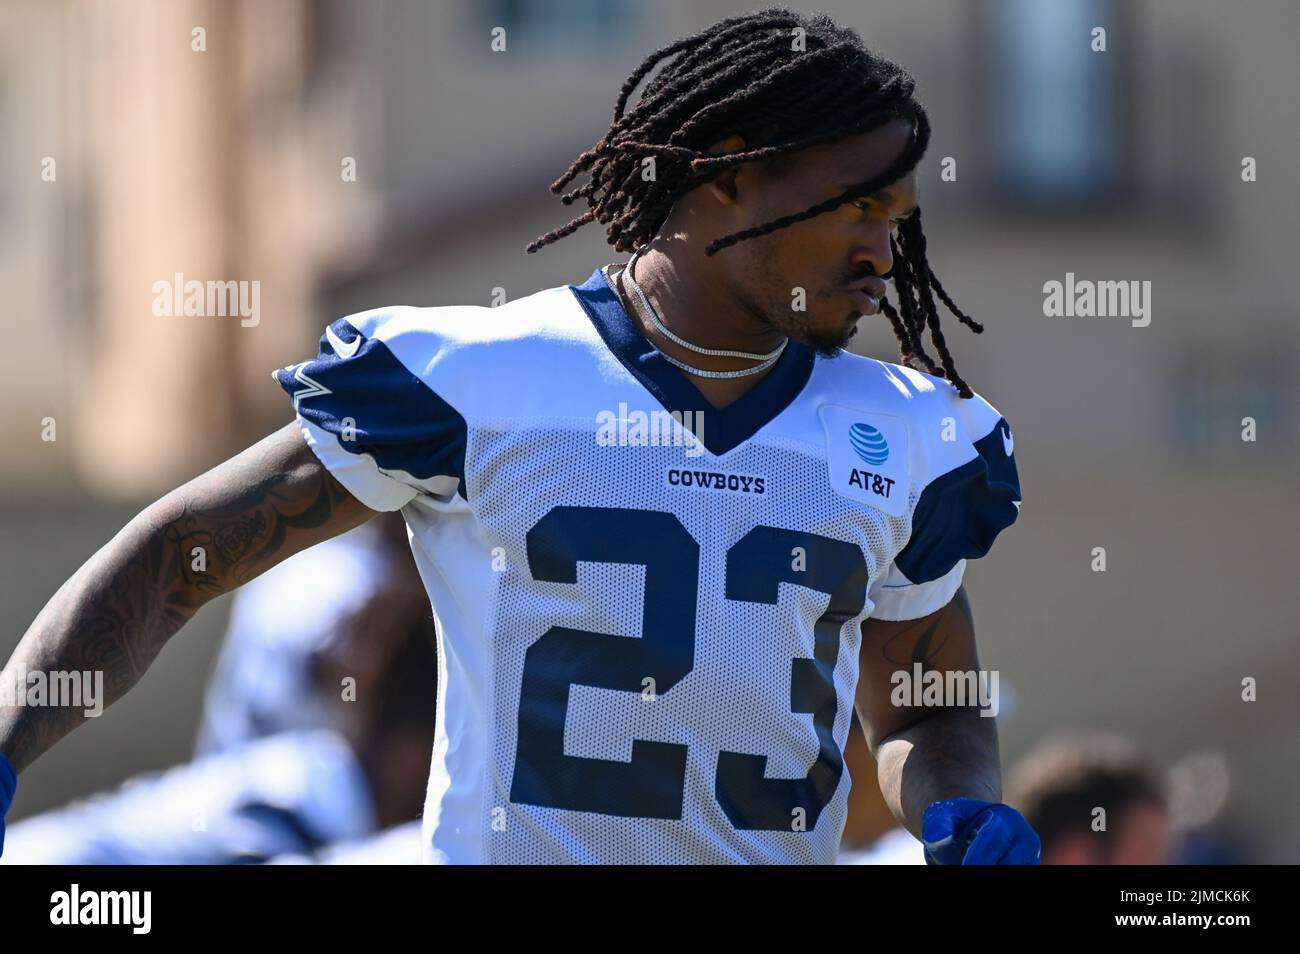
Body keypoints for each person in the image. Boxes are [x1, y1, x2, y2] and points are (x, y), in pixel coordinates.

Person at [1, 8, 1034, 864]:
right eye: (856, 206)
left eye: (895, 216)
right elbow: (179, 555)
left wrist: (958, 805)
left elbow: (922, 706)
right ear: (727, 173)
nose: (881, 251)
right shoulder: (478, 378)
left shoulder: (905, 433)